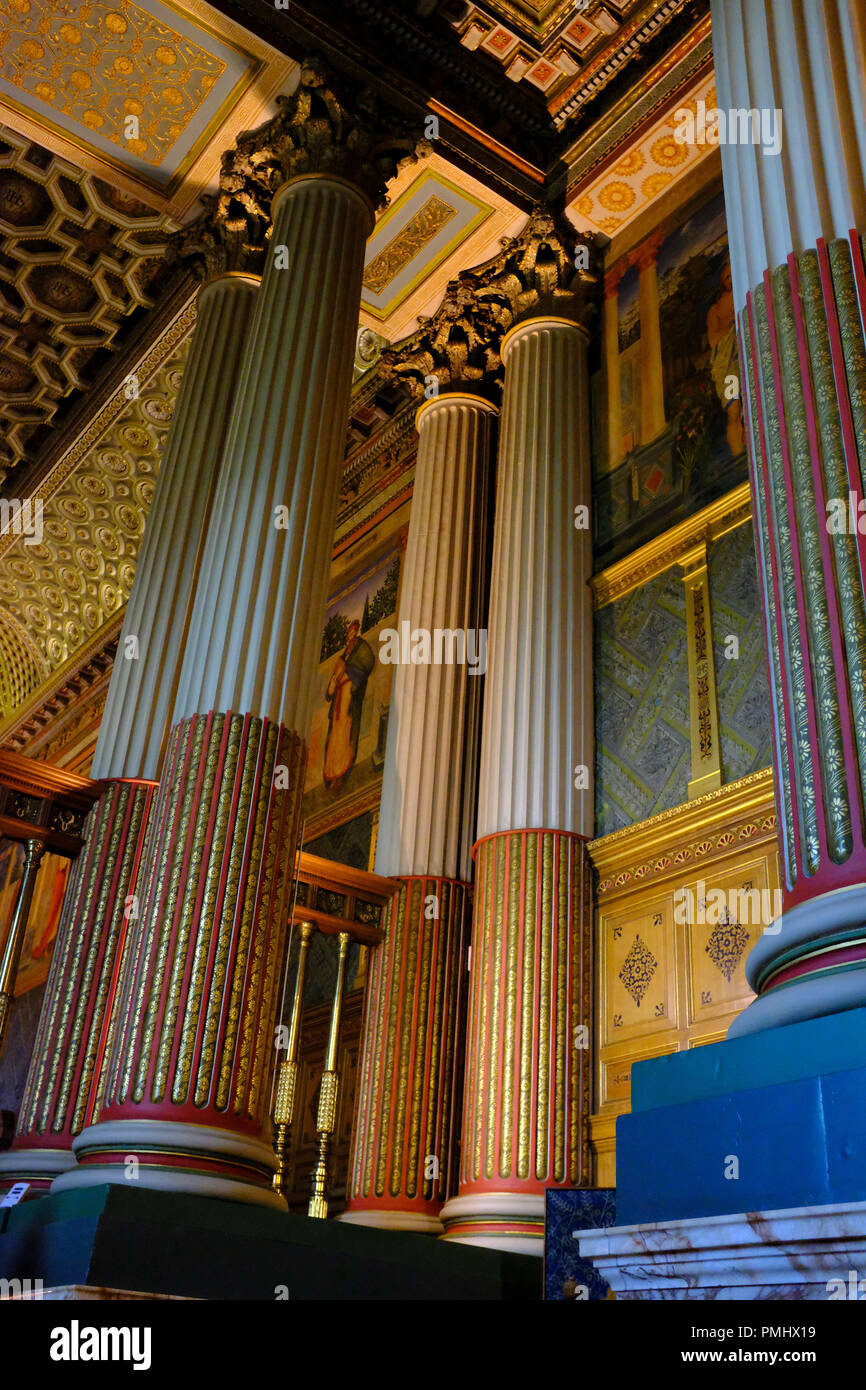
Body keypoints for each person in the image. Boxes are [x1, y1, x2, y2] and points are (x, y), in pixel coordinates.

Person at [323, 619, 376, 790]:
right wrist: (333, 685)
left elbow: (366, 664)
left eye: (353, 632)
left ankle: (343, 772)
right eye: (349, 634)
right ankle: (331, 775)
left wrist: (349, 677)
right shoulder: (344, 654)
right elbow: (335, 677)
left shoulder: (362, 649)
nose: (350, 636)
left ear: (357, 631)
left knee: (346, 736)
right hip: (338, 705)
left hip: (349, 704)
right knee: (334, 738)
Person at [706, 261, 746, 456]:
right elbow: (713, 340)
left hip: (746, 354)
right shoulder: (715, 310)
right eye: (726, 277)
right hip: (728, 365)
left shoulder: (747, 289)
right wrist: (731, 321)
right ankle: (738, 455)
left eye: (733, 275)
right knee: (734, 409)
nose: (731, 280)